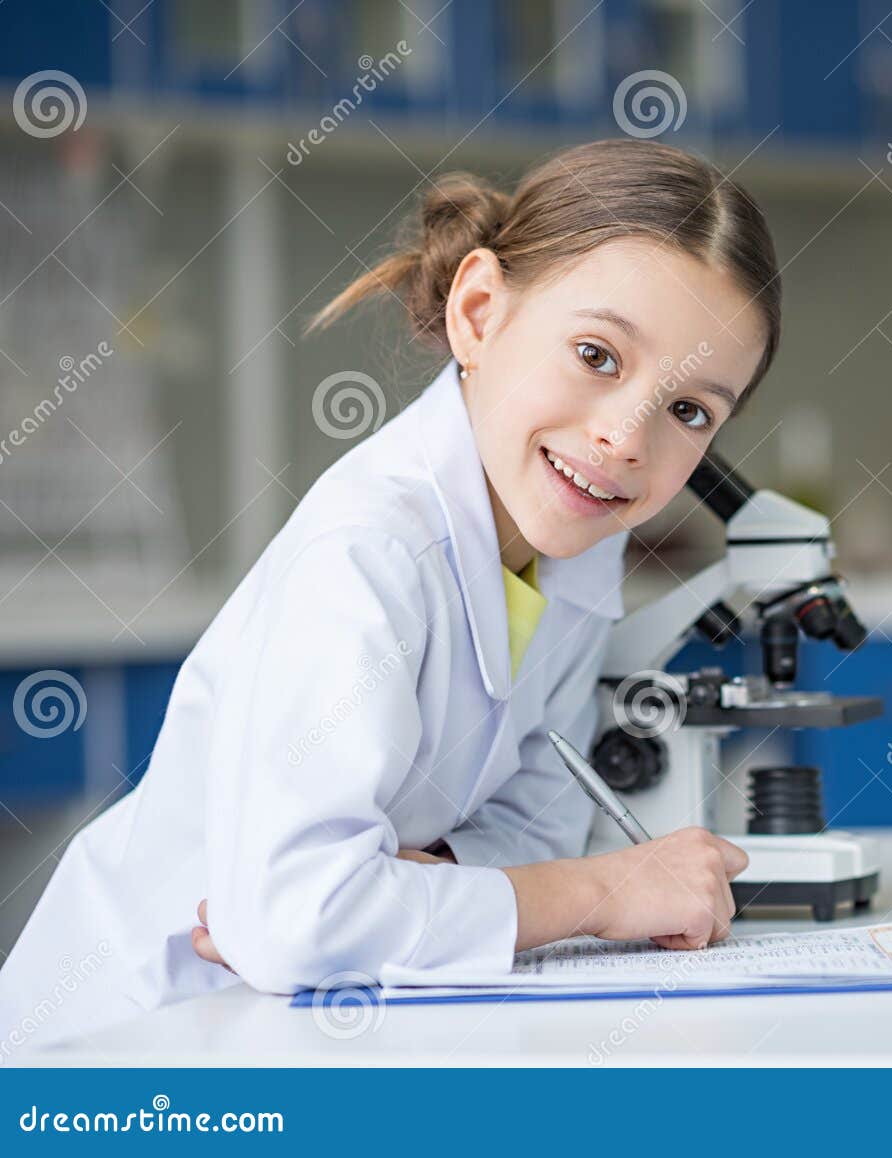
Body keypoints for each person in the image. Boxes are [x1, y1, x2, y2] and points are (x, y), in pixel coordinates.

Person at [0, 139, 781, 1052]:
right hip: (124, 1046)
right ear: (481, 313)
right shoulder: (370, 551)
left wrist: (425, 881)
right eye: (596, 354)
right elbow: (291, 922)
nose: (624, 437)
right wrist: (605, 891)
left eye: (690, 411)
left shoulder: (573, 538)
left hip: (290, 1030)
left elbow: (540, 810)